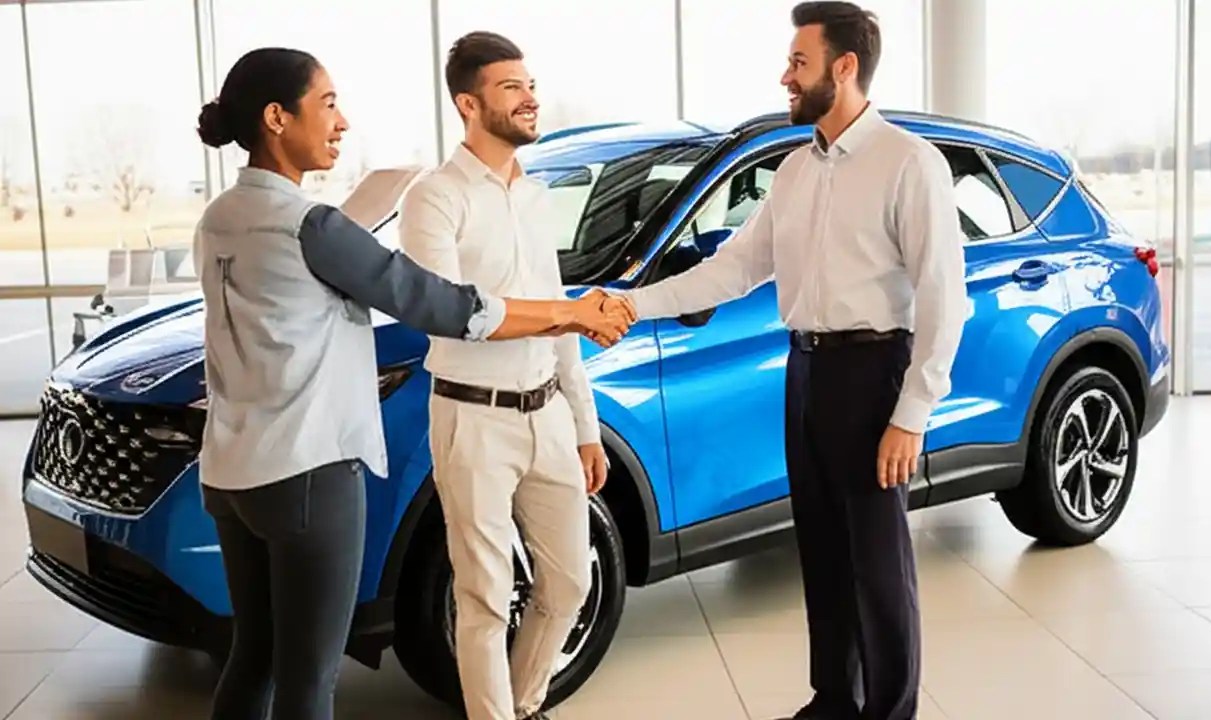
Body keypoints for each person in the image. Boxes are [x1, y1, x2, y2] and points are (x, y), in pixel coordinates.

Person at [191, 47, 633, 720]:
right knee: (309, 680)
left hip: (231, 469)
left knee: (254, 657)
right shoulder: (313, 224)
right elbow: (440, 305)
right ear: (277, 117)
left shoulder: (219, 217)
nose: (341, 122)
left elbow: (291, 303)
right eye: (328, 103)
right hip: (308, 468)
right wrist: (572, 312)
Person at [617, 3, 967, 719]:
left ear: (845, 67)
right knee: (823, 547)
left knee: (877, 562)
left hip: (874, 375)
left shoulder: (908, 162)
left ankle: (890, 710)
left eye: (798, 62)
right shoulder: (794, 171)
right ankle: (834, 698)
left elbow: (942, 299)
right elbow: (733, 269)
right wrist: (629, 304)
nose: (785, 76)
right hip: (805, 371)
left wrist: (912, 414)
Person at [396, 31, 614, 720]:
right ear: (468, 103)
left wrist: (584, 427)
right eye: (511, 87)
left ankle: (520, 707)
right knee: (484, 594)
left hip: (547, 413)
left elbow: (563, 331)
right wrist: (568, 314)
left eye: (530, 84)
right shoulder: (432, 198)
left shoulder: (532, 193)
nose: (530, 97)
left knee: (570, 584)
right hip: (472, 418)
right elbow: (455, 315)